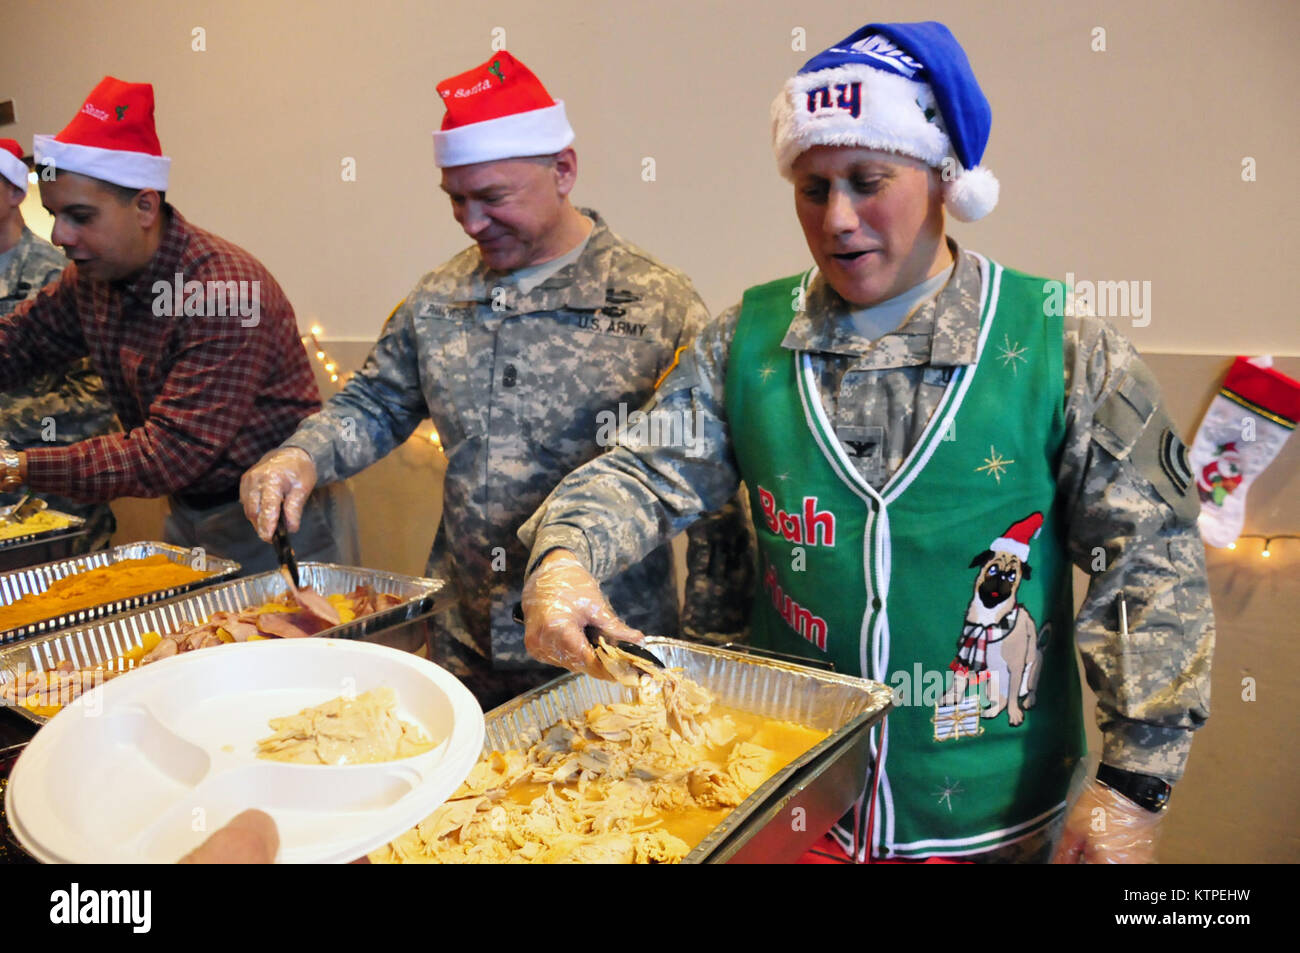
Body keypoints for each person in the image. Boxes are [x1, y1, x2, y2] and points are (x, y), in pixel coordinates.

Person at [518, 22, 1213, 863]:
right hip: (789, 796)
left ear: (944, 180)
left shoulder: (1062, 345)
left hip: (989, 814)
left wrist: (1135, 784)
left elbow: (1150, 563)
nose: (839, 219)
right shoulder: (748, 339)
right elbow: (645, 470)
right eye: (813, 189)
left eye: (867, 181)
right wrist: (565, 552)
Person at [241, 52, 753, 710]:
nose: (471, 222)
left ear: (562, 170)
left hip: (602, 650)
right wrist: (302, 452)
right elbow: (376, 402)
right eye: (456, 199)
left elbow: (707, 497)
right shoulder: (441, 297)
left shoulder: (653, 302)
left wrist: (715, 649)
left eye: (492, 198)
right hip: (465, 641)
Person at [0, 78, 359, 573]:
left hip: (273, 519)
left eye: (80, 216)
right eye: (55, 214)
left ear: (145, 206)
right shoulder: (90, 280)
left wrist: (18, 467)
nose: (60, 235)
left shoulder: (224, 291)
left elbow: (167, 453)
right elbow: (16, 343)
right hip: (188, 511)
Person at [0, 138, 119, 552]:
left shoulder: (63, 274)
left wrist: (8, 434)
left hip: (56, 502)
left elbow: (98, 398)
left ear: (16, 191)